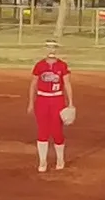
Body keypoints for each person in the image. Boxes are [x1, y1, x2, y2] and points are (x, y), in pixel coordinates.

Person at [26, 39, 75, 172]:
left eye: (53, 48)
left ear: (56, 50)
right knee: (42, 130)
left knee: (57, 131)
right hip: (42, 100)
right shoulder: (39, 65)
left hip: (57, 99)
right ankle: (42, 161)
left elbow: (67, 84)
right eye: (48, 48)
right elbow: (33, 85)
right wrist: (31, 102)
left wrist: (70, 103)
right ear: (45, 49)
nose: (51, 50)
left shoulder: (62, 66)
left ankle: (60, 158)